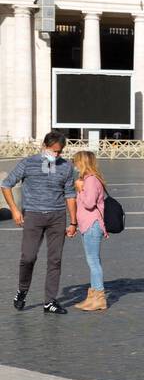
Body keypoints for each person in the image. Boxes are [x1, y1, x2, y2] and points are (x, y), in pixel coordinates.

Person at [2, 131, 78, 314]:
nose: (57, 155)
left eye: (60, 152)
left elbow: (70, 194)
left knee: (55, 260)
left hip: (57, 217)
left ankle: (49, 301)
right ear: (44, 146)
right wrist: (14, 209)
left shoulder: (66, 166)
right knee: (28, 257)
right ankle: (22, 290)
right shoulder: (27, 163)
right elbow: (6, 184)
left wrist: (73, 222)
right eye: (54, 151)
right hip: (33, 216)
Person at [70, 151, 109, 312]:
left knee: (93, 261)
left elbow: (89, 203)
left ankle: (99, 298)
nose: (74, 165)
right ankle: (92, 296)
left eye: (76, 162)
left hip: (92, 224)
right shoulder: (88, 179)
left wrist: (80, 189)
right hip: (87, 224)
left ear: (83, 163)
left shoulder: (91, 180)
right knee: (93, 260)